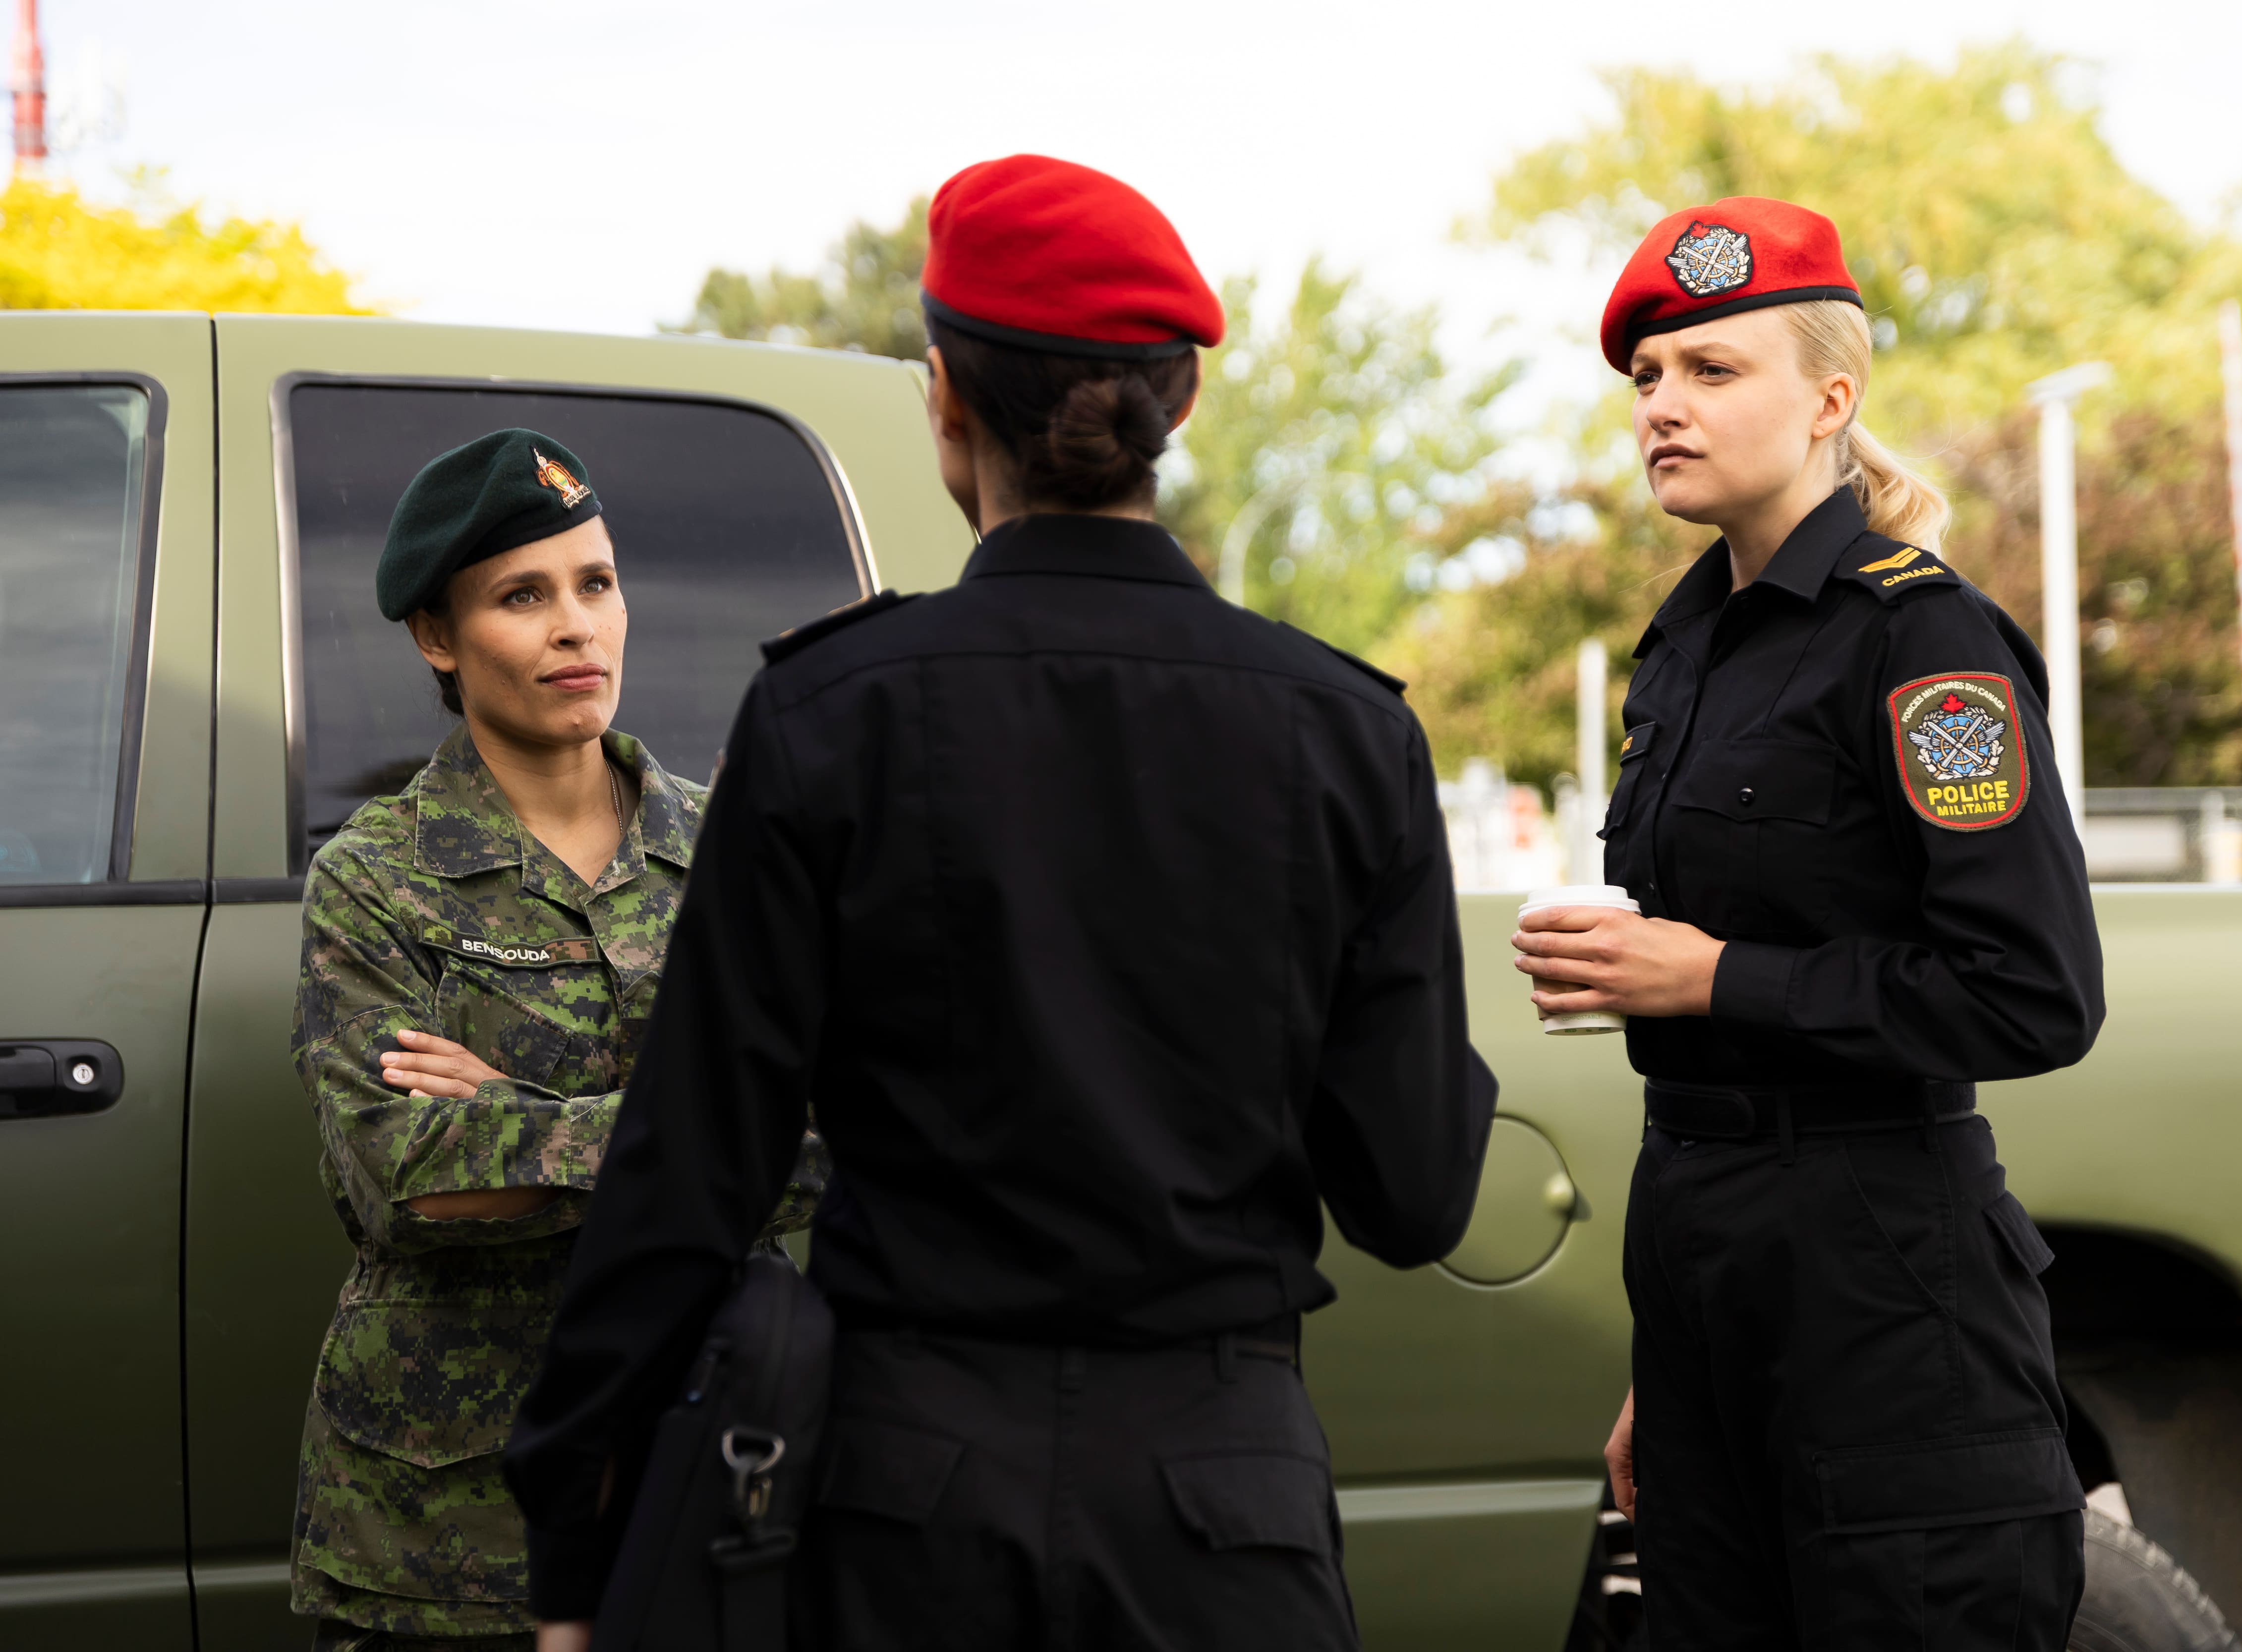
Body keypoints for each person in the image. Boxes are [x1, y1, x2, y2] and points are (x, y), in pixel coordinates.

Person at [504, 154, 1497, 1652]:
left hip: (905, 1492)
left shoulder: (832, 708)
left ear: (946, 400)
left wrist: (573, 1542)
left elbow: (696, 1161)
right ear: (1183, 409)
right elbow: (1416, 1196)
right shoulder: (1345, 730)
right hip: (1222, 1501)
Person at [1510, 198, 2105, 1648]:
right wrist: (1681, 1353)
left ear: (1834, 398)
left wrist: (1713, 977)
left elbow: (2031, 991)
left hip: (1889, 1283)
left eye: (1713, 371)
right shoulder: (1683, 652)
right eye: (1648, 377)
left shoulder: (1925, 640)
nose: (1663, 406)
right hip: (1713, 1275)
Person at [289, 429, 824, 1652]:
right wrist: (692, 1127)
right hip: (445, 1534)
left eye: (597, 581)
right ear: (438, 636)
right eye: (523, 596)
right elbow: (413, 1180)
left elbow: (825, 1143)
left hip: (709, 1470)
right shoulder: (376, 879)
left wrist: (519, 1111)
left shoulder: (741, 846)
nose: (578, 626)